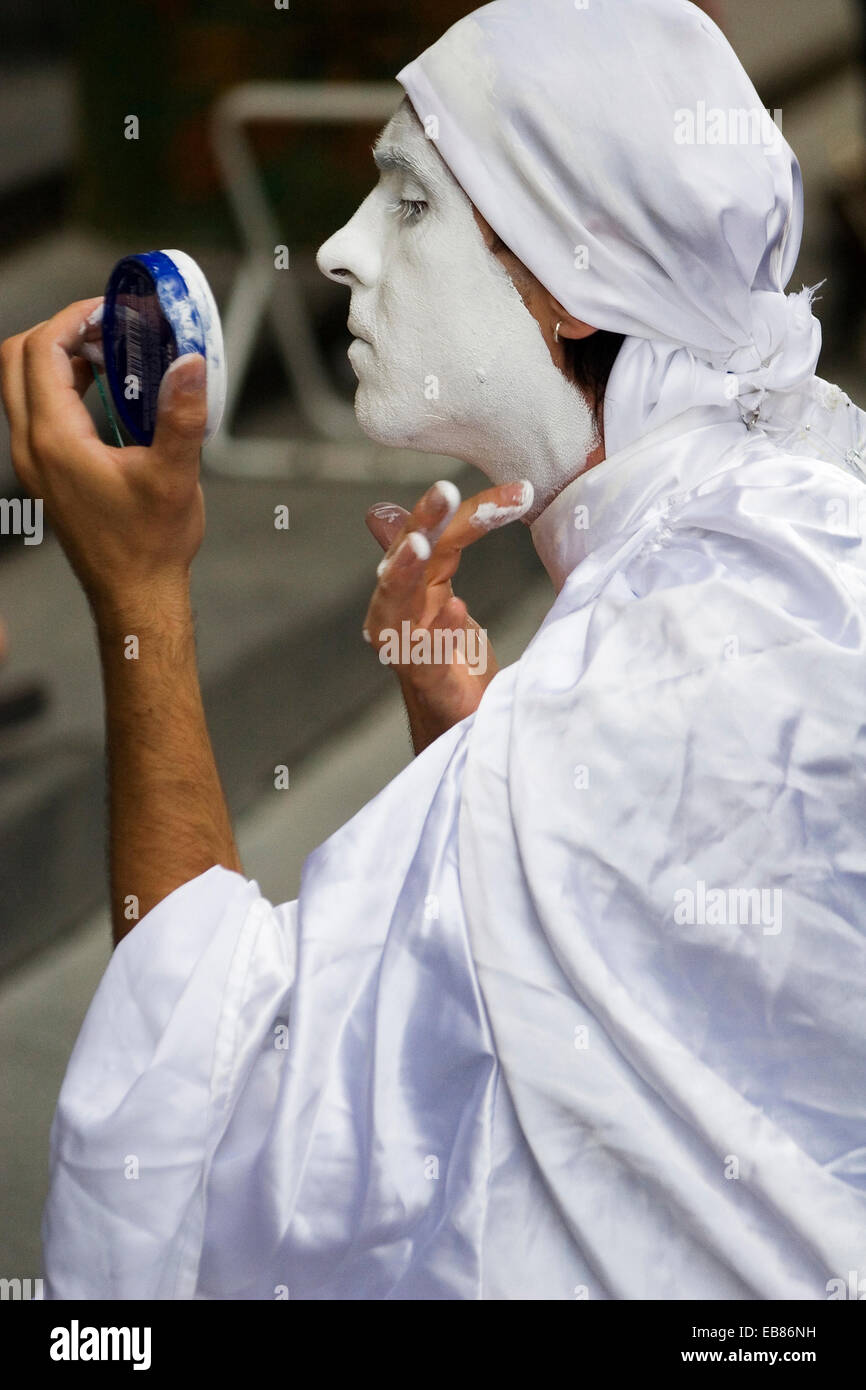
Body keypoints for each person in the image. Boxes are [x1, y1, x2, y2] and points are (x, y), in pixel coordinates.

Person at [3, 0, 866, 1300]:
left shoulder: (647, 671)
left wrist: (138, 600)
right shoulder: (782, 522)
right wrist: (472, 743)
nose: (340, 253)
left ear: (572, 286)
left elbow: (211, 1137)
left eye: (406, 203)